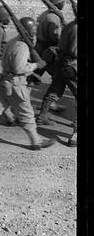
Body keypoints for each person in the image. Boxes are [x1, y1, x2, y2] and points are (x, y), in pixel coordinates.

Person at [0, 17, 54, 151]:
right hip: (16, 85)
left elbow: (9, 64)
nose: (36, 32)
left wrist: (30, 73)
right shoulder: (22, 46)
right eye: (34, 30)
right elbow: (18, 68)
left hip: (5, 82)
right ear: (28, 31)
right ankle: (35, 141)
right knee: (27, 113)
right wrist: (35, 65)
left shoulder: (12, 42)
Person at [35, 15, 77, 143]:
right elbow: (74, 51)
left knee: (54, 91)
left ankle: (42, 116)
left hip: (62, 63)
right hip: (73, 65)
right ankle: (75, 135)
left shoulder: (68, 26)